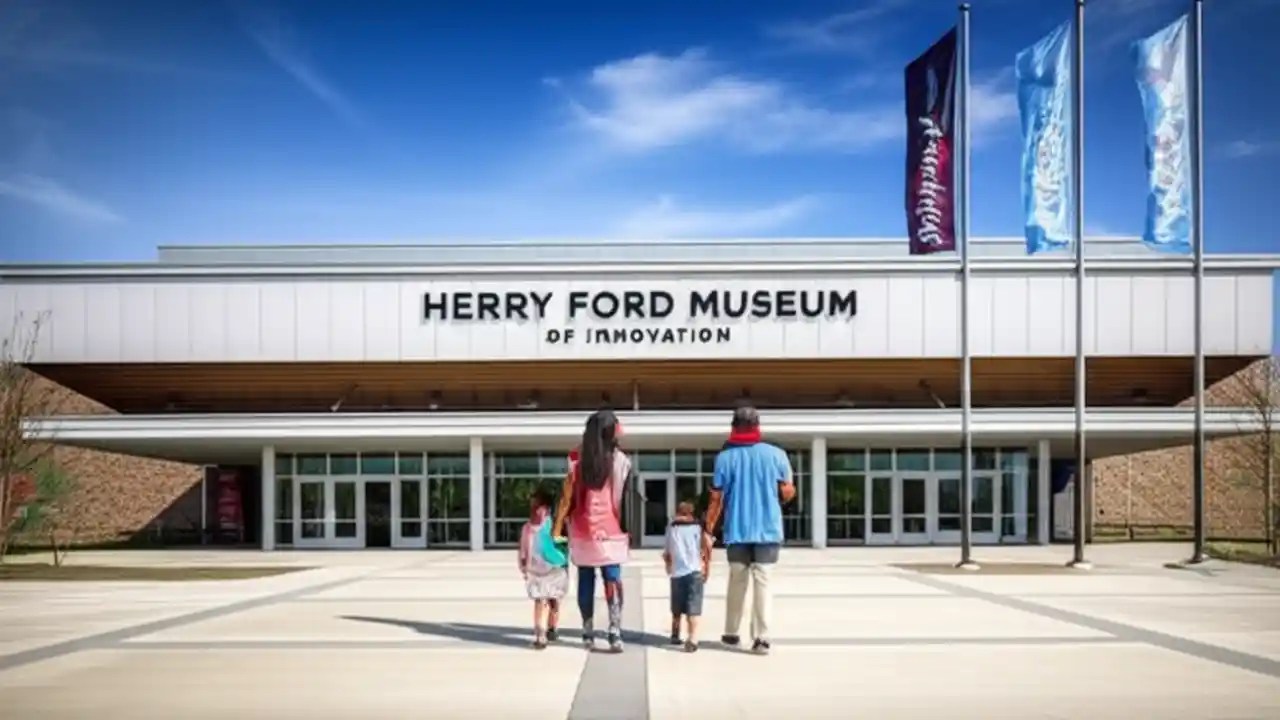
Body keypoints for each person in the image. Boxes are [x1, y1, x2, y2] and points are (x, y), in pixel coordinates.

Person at [702, 402, 795, 655]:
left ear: (734, 427)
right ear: (757, 426)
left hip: (737, 529)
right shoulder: (777, 455)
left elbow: (716, 498)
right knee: (764, 580)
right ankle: (762, 638)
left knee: (737, 579)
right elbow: (788, 492)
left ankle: (731, 633)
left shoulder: (724, 458)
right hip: (768, 528)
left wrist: (708, 529)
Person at [552, 409, 634, 653]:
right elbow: (625, 498)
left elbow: (567, 497)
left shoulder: (576, 459)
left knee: (586, 579)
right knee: (612, 579)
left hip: (582, 530)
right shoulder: (619, 460)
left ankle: (587, 630)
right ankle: (614, 630)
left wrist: (558, 526)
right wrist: (628, 529)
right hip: (610, 530)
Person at [518, 487, 568, 649]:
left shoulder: (554, 526)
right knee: (540, 600)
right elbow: (523, 548)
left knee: (553, 600)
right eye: (534, 507)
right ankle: (540, 633)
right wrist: (523, 564)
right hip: (536, 570)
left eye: (540, 507)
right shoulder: (527, 528)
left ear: (547, 509)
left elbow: (563, 547)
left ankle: (552, 627)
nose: (537, 511)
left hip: (554, 569)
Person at [663, 500, 708, 652]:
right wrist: (706, 567)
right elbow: (704, 548)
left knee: (676, 607)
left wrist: (668, 567)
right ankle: (693, 638)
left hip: (677, 572)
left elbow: (667, 552)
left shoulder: (672, 527)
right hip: (695, 571)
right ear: (691, 513)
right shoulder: (698, 527)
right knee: (693, 607)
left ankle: (675, 634)